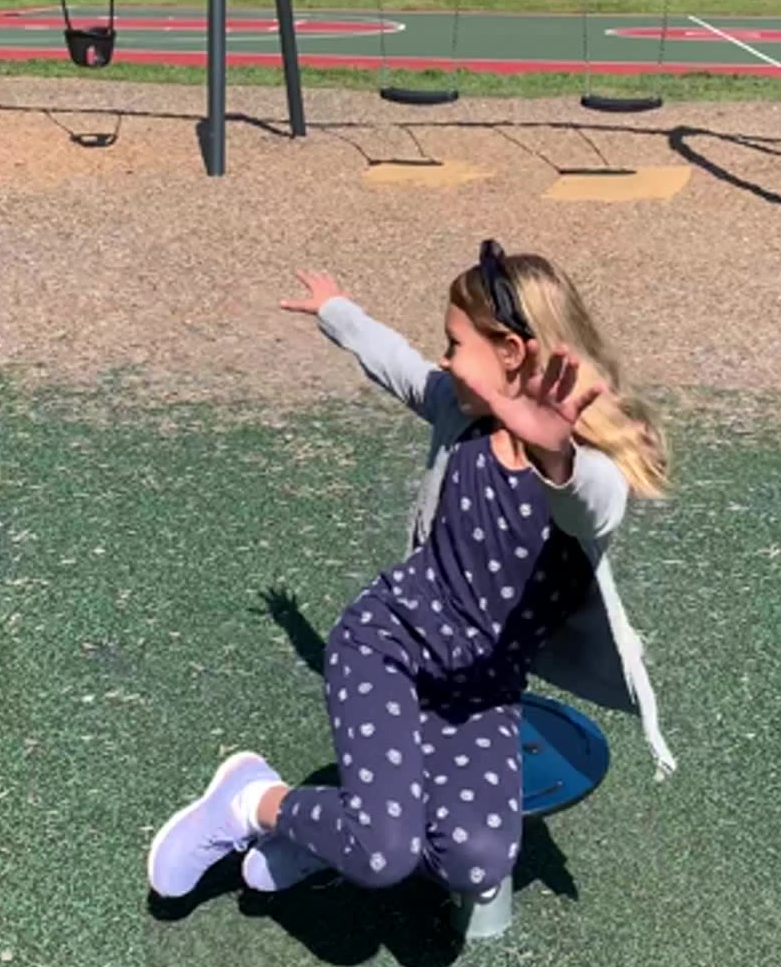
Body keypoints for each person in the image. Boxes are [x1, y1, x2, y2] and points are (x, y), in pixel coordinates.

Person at [147, 241, 675, 906]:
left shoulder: (584, 467)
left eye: (455, 345)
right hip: (387, 644)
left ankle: (329, 830)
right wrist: (336, 309)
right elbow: (396, 363)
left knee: (477, 864)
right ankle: (250, 802)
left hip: (481, 687)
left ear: (512, 351)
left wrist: (555, 453)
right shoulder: (463, 415)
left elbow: (593, 503)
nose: (445, 360)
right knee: (383, 852)